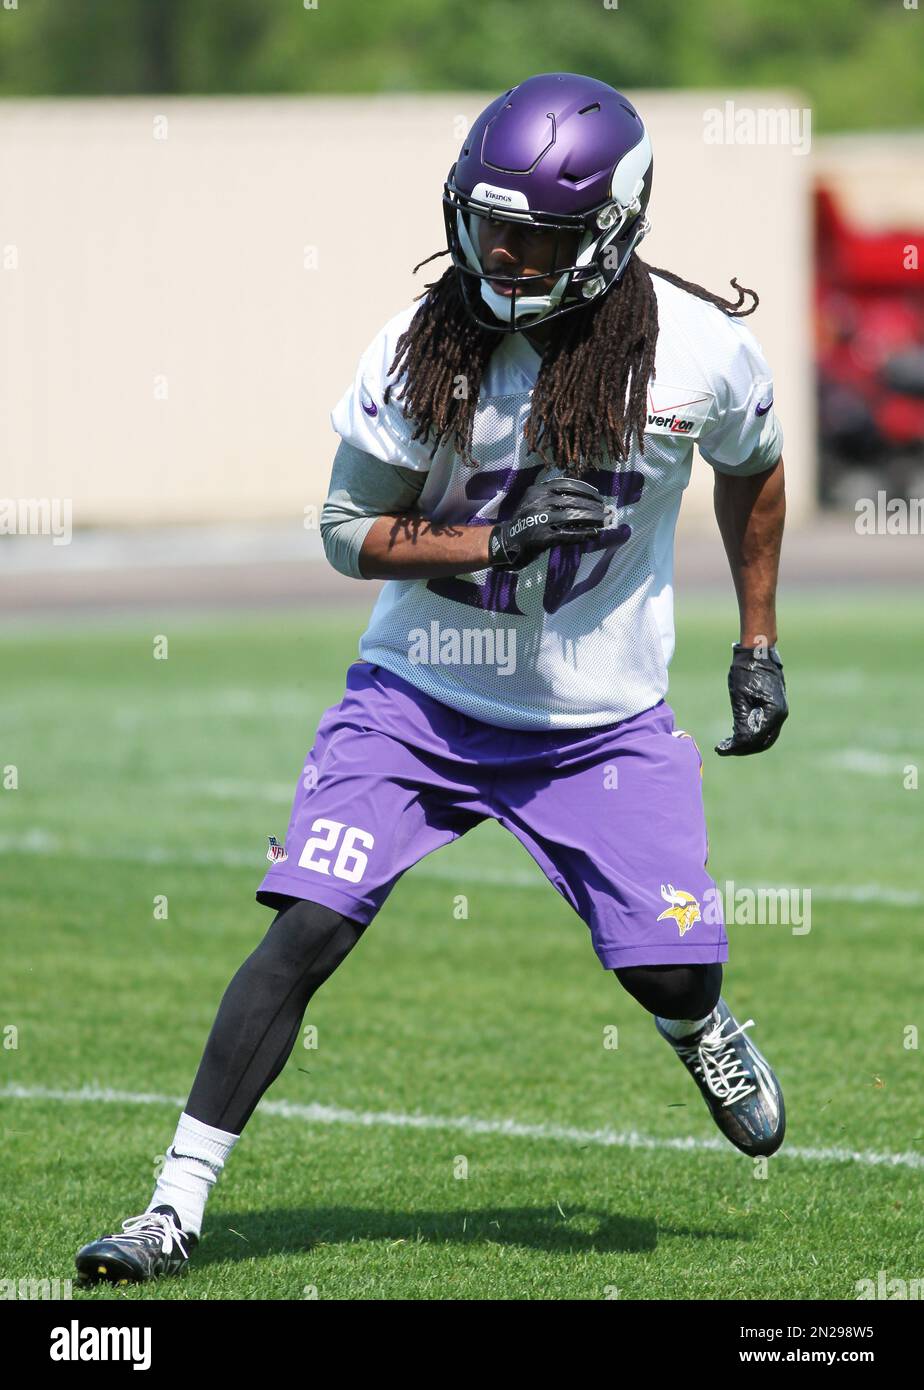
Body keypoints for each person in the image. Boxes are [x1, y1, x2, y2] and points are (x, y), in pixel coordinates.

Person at [76, 72, 788, 1285]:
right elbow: (345, 529)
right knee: (307, 925)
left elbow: (756, 467)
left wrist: (757, 644)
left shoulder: (699, 355)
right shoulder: (425, 345)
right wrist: (489, 538)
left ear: (611, 232)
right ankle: (171, 1207)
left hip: (600, 723)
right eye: (486, 222)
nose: (500, 254)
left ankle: (698, 1025)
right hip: (419, 700)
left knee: (675, 962)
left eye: (535, 235)